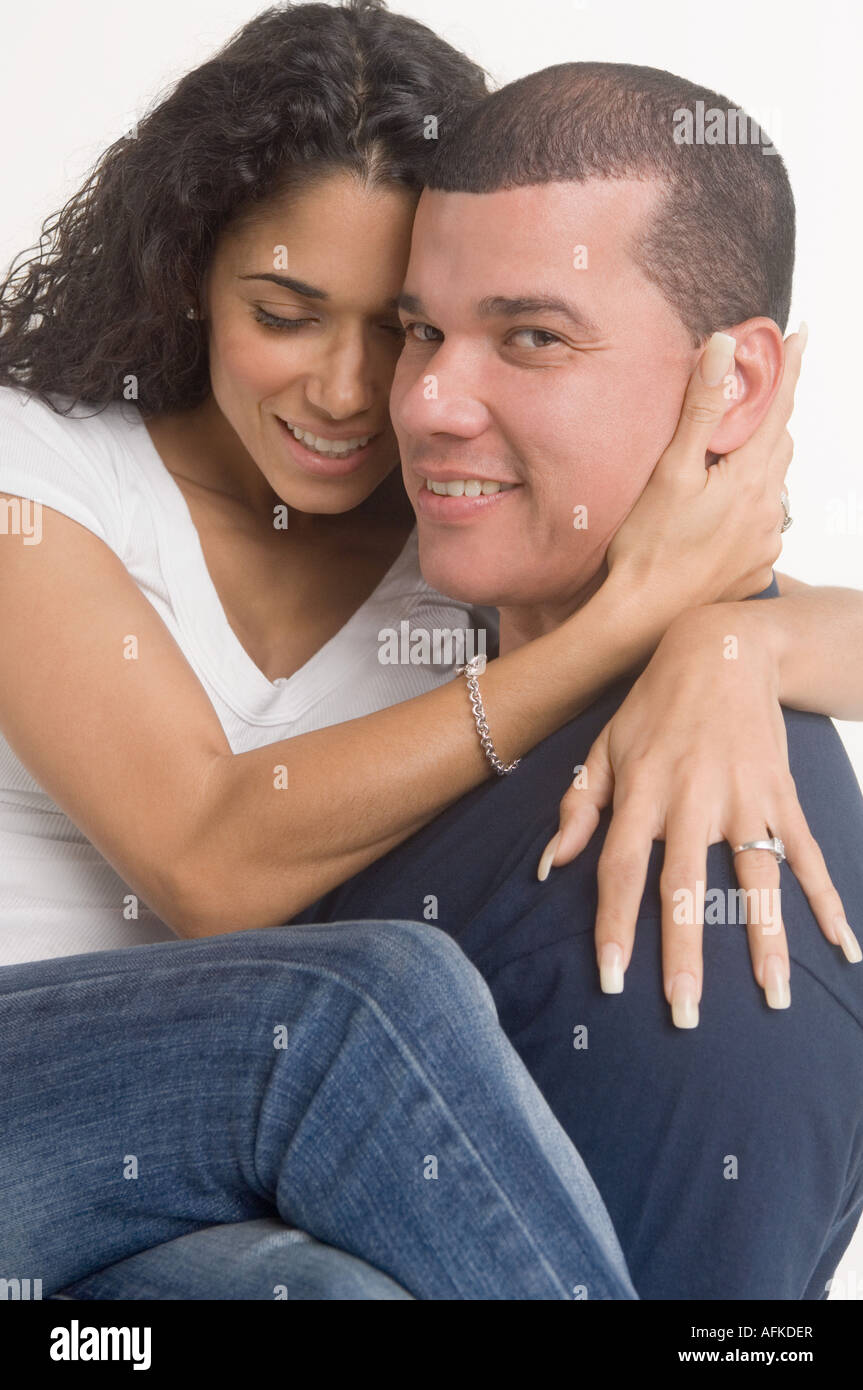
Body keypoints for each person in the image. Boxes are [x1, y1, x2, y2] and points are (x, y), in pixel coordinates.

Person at [0, 4, 857, 1299]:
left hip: (171, 1214)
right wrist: (636, 618)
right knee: (353, 1006)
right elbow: (209, 860)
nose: (354, 394)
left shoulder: (445, 522)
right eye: (285, 312)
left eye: (394, 327)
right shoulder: (37, 471)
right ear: (188, 273)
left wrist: (727, 645)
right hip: (40, 1099)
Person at [288, 61, 863, 1299]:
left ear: (737, 388)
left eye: (533, 337)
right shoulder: (409, 598)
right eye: (422, 331)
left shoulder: (693, 929)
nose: (424, 402)